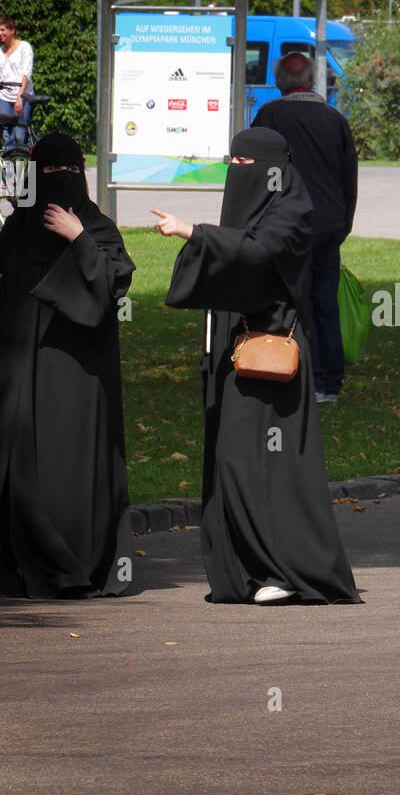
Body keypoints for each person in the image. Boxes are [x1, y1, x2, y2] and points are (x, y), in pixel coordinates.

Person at [151, 127, 360, 606]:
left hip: (271, 361)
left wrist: (194, 232)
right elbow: (237, 249)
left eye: (247, 166)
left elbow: (260, 251)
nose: (237, 174)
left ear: (272, 170)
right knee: (232, 461)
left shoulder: (292, 211)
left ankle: (285, 570)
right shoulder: (251, 210)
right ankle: (244, 568)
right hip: (234, 357)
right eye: (233, 164)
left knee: (265, 466)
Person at [0, 135, 134, 598]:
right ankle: (13, 567)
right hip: (18, 371)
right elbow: (3, 297)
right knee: (12, 467)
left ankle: (73, 565)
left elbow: (109, 288)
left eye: (67, 172)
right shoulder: (20, 225)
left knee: (64, 469)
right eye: (47, 174)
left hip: (73, 378)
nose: (58, 182)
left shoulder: (97, 226)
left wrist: (78, 239)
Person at [253, 52, 358, 403]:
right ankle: (329, 381)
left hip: (285, 225)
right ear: (312, 80)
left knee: (290, 301)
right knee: (325, 302)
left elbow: (256, 173)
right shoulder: (335, 119)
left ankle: (290, 370)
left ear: (279, 81)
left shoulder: (269, 116)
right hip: (327, 225)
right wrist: (343, 224)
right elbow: (348, 180)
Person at [0, 16, 34, 149]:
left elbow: (26, 73)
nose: (0, 33)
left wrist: (19, 97)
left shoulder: (24, 47)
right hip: (4, 97)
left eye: (3, 30)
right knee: (6, 136)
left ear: (12, 30)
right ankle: (8, 169)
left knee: (19, 136)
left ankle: (22, 166)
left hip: (22, 96)